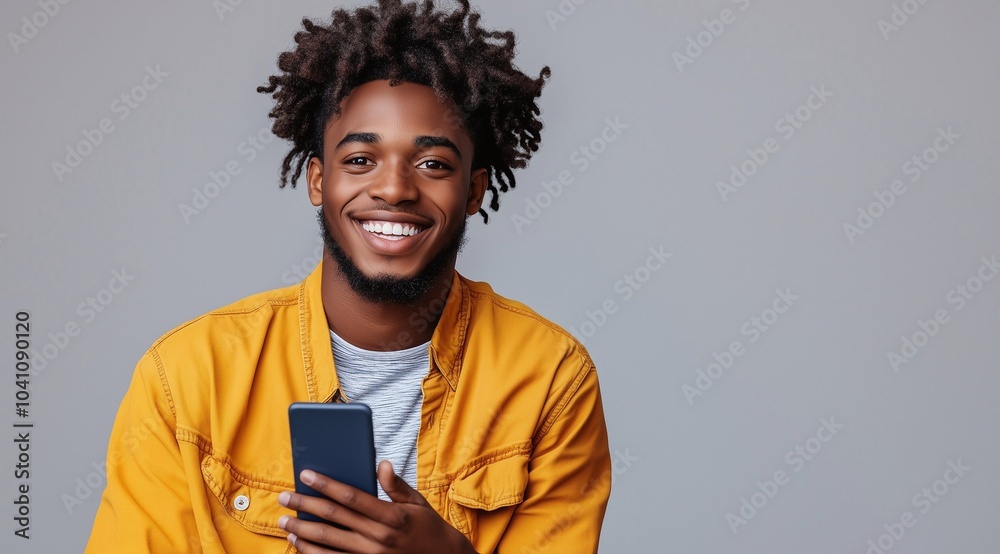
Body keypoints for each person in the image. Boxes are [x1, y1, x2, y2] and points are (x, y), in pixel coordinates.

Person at [85, 0, 611, 552]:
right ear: (318, 180)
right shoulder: (188, 376)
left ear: (475, 190)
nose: (394, 188)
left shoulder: (550, 378)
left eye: (433, 164)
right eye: (361, 159)